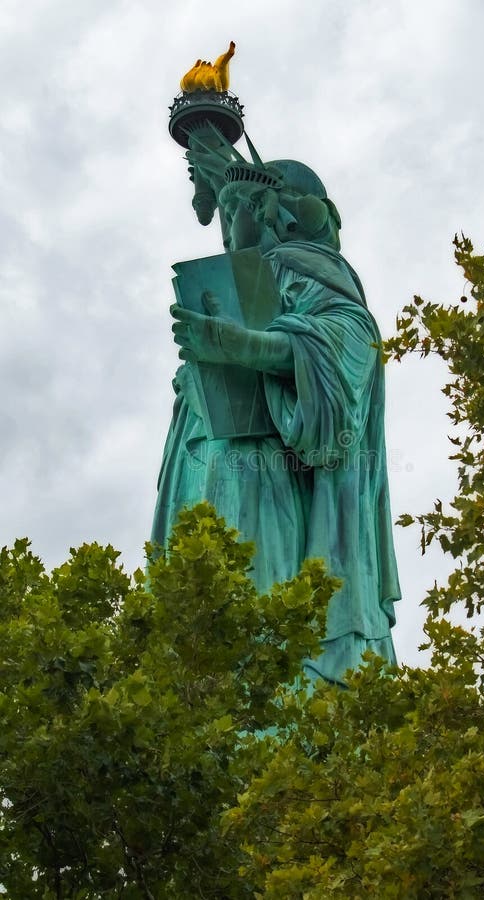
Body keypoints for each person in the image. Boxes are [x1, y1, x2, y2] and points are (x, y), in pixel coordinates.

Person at [152, 153, 401, 684]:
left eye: (250, 205)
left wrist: (245, 346)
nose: (235, 222)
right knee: (199, 606)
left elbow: (350, 342)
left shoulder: (311, 269)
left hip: (270, 464)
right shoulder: (236, 278)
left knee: (264, 601)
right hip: (204, 455)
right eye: (230, 210)